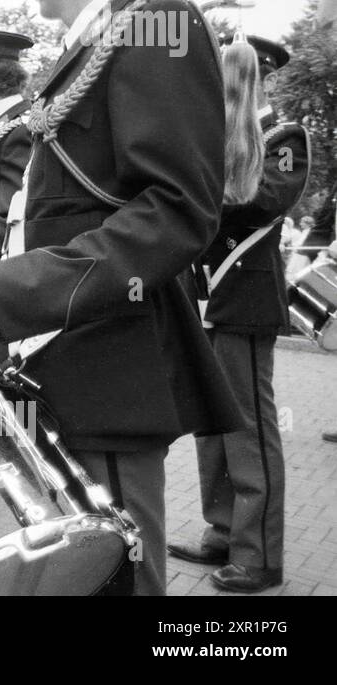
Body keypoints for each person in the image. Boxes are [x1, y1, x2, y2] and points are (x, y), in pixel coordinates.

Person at [0, 0, 243, 596]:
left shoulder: (156, 24)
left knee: (118, 582)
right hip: (62, 356)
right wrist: (1, 307)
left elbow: (177, 210)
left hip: (110, 366)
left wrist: (15, 293)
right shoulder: (89, 45)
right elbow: (49, 211)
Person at [168, 35, 310, 593]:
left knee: (249, 430)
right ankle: (224, 531)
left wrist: (198, 184)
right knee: (211, 424)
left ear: (259, 75)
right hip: (204, 298)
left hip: (245, 301)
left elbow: (264, 199)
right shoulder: (212, 136)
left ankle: (260, 556)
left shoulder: (284, 137)